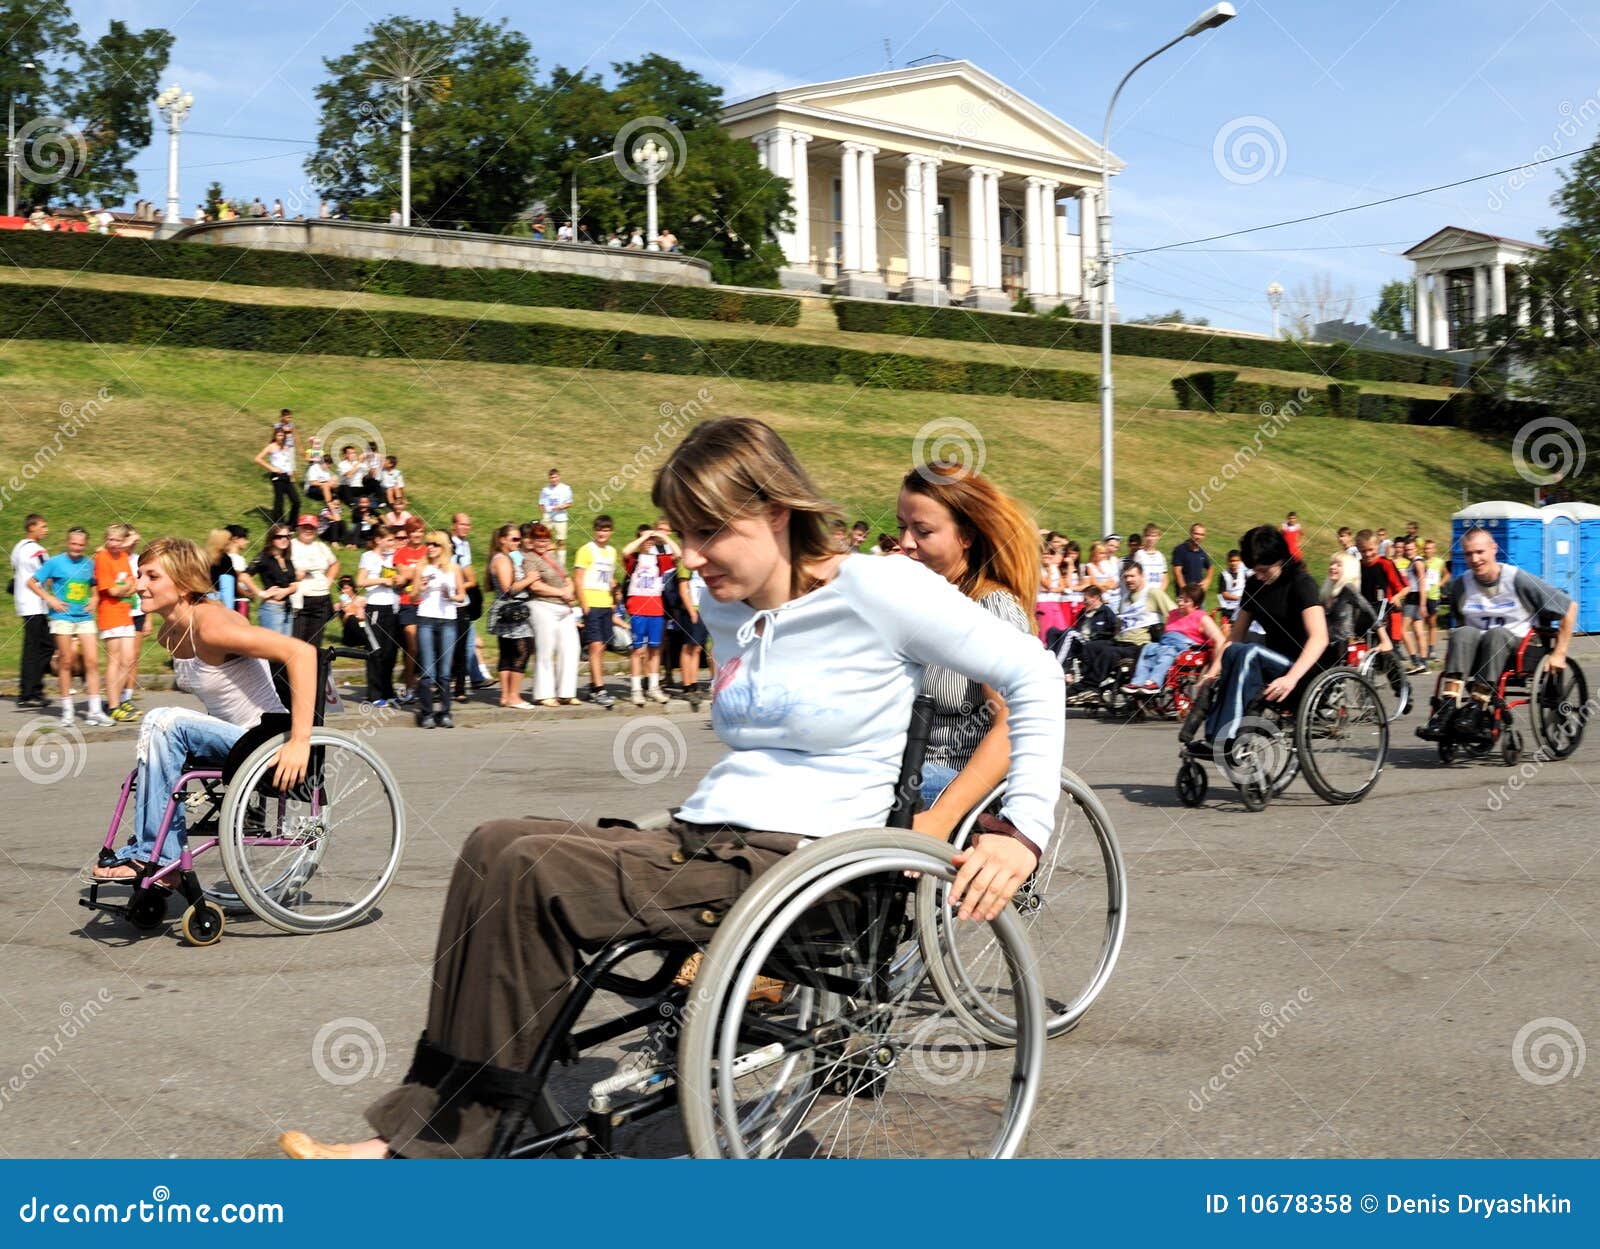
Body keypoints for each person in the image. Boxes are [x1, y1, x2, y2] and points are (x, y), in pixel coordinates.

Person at [277, 415, 1063, 1161]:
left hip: (802, 866)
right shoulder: (728, 605)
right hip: (708, 839)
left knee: (526, 868)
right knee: (493, 845)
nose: (691, 555)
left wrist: (1019, 831)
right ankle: (451, 1123)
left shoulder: (878, 588)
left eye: (709, 530)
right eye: (683, 532)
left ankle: (438, 1147)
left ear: (778, 511)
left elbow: (1034, 676)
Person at [89, 537, 315, 883]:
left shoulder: (211, 625)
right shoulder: (169, 634)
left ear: (183, 585)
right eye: (140, 574)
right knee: (162, 733)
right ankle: (157, 849)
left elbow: (302, 653)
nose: (139, 585)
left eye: (152, 576)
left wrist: (300, 741)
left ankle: (157, 856)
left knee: (162, 720)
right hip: (233, 743)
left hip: (264, 741)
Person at [895, 462, 1039, 838]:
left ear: (966, 537)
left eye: (922, 531)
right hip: (903, 766)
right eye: (901, 527)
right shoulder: (913, 603)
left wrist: (942, 816)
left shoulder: (992, 609)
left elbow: (1011, 726)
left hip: (959, 784)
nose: (906, 542)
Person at [1417, 527, 1576, 743]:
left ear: (1494, 549)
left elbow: (1569, 608)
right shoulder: (1461, 585)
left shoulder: (1517, 579)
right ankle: (1448, 708)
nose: (1475, 559)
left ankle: (1477, 706)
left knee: (1497, 635)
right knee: (1462, 633)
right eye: (1469, 554)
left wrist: (1559, 653)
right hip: (1481, 651)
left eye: (1480, 552)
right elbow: (1461, 621)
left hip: (1519, 648)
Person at [1184, 525, 1328, 760]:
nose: (1259, 576)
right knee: (1235, 651)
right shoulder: (1254, 585)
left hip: (1305, 668)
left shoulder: (1302, 583)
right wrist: (1211, 674)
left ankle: (1228, 739)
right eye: (1254, 570)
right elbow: (1235, 636)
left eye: (1263, 570)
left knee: (1249, 652)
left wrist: (1291, 678)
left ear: (1279, 559)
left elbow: (1320, 637)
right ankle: (1214, 737)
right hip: (1273, 662)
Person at [27, 526, 108, 726]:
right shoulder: (55, 562)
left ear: (85, 545)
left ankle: (95, 711)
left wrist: (95, 598)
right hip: (62, 617)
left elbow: (93, 585)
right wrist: (49, 598)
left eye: (81, 545)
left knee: (92, 662)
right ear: (67, 542)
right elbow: (32, 582)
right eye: (73, 544)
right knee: (65, 662)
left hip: (84, 618)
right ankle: (68, 711)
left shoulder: (89, 563)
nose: (76, 548)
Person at [1067, 563, 1173, 703]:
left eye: (1132, 576)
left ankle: (1091, 687)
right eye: (1126, 577)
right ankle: (1085, 682)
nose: (1128, 580)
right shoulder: (1126, 598)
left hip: (1139, 644)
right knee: (1090, 647)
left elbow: (1173, 612)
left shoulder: (1153, 593)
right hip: (1120, 640)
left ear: (1142, 576)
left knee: (1108, 653)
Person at [408, 530, 468, 729]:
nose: (431, 548)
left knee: (444, 672)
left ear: (444, 547)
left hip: (448, 620)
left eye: (435, 544)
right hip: (426, 619)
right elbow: (413, 597)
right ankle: (427, 713)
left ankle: (445, 712)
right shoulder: (421, 567)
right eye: (429, 544)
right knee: (428, 670)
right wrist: (421, 588)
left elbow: (462, 595)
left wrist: (451, 596)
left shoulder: (454, 568)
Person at [1124, 584, 1225, 695]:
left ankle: (1154, 682)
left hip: (1185, 646)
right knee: (1148, 648)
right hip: (1165, 642)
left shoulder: (1201, 617)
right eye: (1180, 598)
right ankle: (1138, 681)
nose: (1180, 603)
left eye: (1186, 601)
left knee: (1168, 651)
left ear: (1196, 605)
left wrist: (1213, 669)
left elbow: (1219, 639)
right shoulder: (1173, 614)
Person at [523, 524, 579, 706]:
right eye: (538, 540)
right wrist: (561, 592)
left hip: (563, 607)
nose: (542, 543)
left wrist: (570, 590)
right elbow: (535, 586)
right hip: (542, 605)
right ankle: (544, 694)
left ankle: (566, 692)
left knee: (571, 647)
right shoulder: (529, 559)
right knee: (546, 649)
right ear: (531, 541)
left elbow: (567, 578)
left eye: (545, 539)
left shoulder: (552, 556)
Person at [622, 522, 678, 706]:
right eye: (645, 539)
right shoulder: (634, 559)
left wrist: (663, 537)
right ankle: (636, 689)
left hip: (656, 608)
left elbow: (678, 555)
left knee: (655, 649)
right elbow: (625, 551)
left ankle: (654, 687)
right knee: (638, 650)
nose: (648, 541)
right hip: (638, 607)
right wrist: (644, 537)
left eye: (651, 539)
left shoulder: (659, 560)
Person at [485, 524, 536, 708]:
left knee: (506, 651)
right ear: (502, 540)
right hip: (511, 610)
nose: (518, 542)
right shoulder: (502, 560)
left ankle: (505, 696)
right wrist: (529, 579)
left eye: (519, 539)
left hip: (507, 610)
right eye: (514, 539)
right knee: (524, 649)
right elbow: (509, 589)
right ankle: (514, 696)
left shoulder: (508, 557)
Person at [94, 524, 140, 724]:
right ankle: (113, 706)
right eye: (110, 539)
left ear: (123, 542)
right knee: (115, 659)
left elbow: (133, 584)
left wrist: (123, 588)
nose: (113, 543)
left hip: (125, 614)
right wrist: (124, 588)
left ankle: (118, 700)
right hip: (110, 614)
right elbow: (111, 591)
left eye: (117, 540)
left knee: (128, 660)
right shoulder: (102, 557)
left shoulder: (122, 557)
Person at [572, 515, 620, 708]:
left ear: (611, 532)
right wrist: (584, 604)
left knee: (602, 648)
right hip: (591, 603)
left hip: (605, 604)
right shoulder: (586, 550)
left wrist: (614, 596)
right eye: (599, 529)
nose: (602, 533)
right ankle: (600, 689)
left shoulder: (612, 552)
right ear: (594, 531)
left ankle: (594, 686)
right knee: (595, 646)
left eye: (606, 530)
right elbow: (578, 579)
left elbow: (609, 577)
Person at [12, 513, 53, 709]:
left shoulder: (17, 547)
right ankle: (30, 691)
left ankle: (30, 690)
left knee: (34, 647)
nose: (46, 530)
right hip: (36, 604)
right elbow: (49, 575)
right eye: (42, 526)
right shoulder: (38, 550)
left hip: (23, 603)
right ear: (31, 527)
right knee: (43, 647)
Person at [357, 527, 402, 706]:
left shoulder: (392, 557)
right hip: (375, 607)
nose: (393, 543)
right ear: (378, 540)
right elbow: (360, 581)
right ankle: (374, 694)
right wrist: (382, 580)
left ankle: (388, 690)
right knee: (376, 651)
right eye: (389, 540)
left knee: (390, 653)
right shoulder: (368, 556)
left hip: (392, 608)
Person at [447, 513, 489, 699]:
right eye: (462, 524)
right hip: (451, 600)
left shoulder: (465, 545)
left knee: (467, 639)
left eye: (468, 525)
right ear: (453, 525)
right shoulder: (450, 544)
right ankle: (469, 678)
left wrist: (460, 588)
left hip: (461, 599)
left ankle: (473, 677)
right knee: (460, 641)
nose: (466, 527)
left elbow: (470, 577)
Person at [288, 514, 339, 647]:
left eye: (312, 528)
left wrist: (329, 581)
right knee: (297, 642)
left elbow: (335, 564)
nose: (308, 530)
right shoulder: (290, 545)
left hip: (321, 600)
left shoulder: (321, 546)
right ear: (298, 528)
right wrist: (294, 575)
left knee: (314, 644)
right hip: (300, 601)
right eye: (305, 527)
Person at [392, 518, 427, 703]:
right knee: (412, 647)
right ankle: (409, 687)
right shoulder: (401, 553)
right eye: (413, 531)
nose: (417, 535)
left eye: (420, 531)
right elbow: (401, 576)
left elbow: (408, 575)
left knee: (425, 646)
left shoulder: (428, 550)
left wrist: (410, 572)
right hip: (408, 604)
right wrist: (420, 570)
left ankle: (422, 683)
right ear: (408, 533)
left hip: (427, 603)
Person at [1355, 528, 1405, 657]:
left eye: (1370, 549)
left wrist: (1397, 597)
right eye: (1363, 551)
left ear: (1377, 546)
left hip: (1384, 615)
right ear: (1358, 549)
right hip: (1366, 614)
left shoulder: (1385, 564)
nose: (1367, 554)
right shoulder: (1357, 566)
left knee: (1388, 656)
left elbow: (1404, 587)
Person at [1321, 552, 1376, 662]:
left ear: (1348, 570)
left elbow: (1367, 609)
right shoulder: (1328, 592)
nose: (1332, 567)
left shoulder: (1348, 588)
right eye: (1331, 564)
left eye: (1338, 565)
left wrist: (1384, 638)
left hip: (1341, 646)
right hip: (1325, 642)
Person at [249, 524, 299, 636]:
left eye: (287, 536)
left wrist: (286, 591)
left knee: (285, 646)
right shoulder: (263, 557)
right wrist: (260, 593)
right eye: (279, 537)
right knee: (272, 646)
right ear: (271, 539)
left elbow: (295, 584)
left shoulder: (287, 559)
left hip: (287, 609)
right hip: (272, 610)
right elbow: (244, 576)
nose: (284, 539)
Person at [254, 428, 300, 523]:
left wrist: (291, 475)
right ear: (275, 436)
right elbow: (258, 459)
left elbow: (288, 462)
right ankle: (279, 524)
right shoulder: (271, 446)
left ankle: (292, 524)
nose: (281, 437)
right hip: (277, 476)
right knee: (279, 501)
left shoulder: (286, 447)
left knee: (296, 501)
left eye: (282, 435)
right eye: (279, 435)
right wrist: (272, 468)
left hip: (287, 476)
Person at [1421, 537, 1450, 661]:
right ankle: (1422, 650)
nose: (1428, 551)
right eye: (1426, 548)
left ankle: (1431, 649)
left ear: (1434, 550)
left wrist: (1440, 584)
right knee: (1421, 623)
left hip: (1433, 596)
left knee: (1432, 623)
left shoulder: (1439, 562)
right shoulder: (1421, 561)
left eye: (1430, 548)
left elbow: (1447, 574)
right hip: (1422, 595)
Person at [1171, 523, 1214, 605]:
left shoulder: (1202, 552)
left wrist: (1207, 580)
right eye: (1196, 533)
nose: (1198, 537)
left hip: (1199, 598)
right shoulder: (1180, 550)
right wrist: (1185, 592)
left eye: (1201, 534)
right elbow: (1177, 572)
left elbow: (1210, 567)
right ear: (1190, 533)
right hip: (1184, 598)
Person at [538, 469, 574, 566]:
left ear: (559, 477)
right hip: (548, 518)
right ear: (549, 478)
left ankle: (561, 564)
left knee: (561, 541)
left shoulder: (566, 488)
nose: (553, 479)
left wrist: (561, 507)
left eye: (555, 477)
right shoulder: (545, 490)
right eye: (551, 478)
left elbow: (569, 503)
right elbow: (541, 504)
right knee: (544, 539)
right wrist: (544, 515)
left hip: (560, 518)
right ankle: (547, 561)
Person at [1132, 524, 1167, 591]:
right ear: (1144, 537)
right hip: (1143, 593)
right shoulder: (1139, 554)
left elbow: (1165, 579)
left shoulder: (1161, 556)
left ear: (1158, 537)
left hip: (1157, 593)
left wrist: (1159, 593)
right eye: (1148, 536)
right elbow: (1135, 576)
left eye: (1154, 536)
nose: (1151, 539)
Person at [1218, 549, 1247, 620]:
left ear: (1240, 561)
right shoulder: (1224, 575)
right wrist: (1240, 598)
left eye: (1236, 561)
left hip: (1241, 609)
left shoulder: (1243, 574)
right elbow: (1224, 594)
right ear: (1227, 561)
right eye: (1231, 561)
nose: (1234, 563)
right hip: (1228, 610)